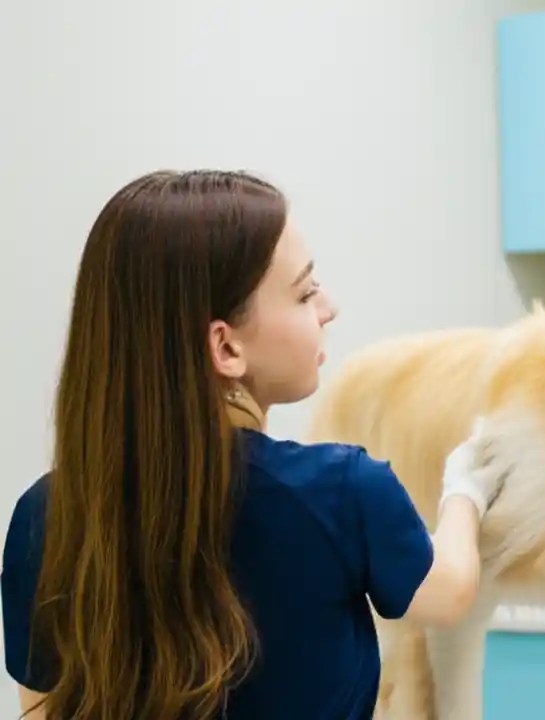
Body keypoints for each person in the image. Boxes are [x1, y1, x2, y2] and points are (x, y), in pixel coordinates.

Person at [1, 170, 502, 719]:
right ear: (226, 346)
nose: (328, 307)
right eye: (306, 291)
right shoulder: (342, 491)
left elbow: (41, 710)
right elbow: (449, 592)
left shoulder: (42, 518)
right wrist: (465, 491)